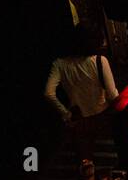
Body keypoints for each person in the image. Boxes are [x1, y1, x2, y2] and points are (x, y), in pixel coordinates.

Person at [44, 25, 118, 159]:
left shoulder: (60, 64)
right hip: (102, 115)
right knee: (109, 156)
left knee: (85, 161)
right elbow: (113, 95)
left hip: (79, 118)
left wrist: (66, 113)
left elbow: (49, 93)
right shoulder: (100, 61)